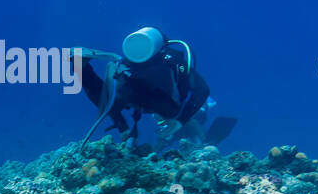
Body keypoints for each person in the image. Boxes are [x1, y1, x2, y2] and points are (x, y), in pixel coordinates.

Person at [76, 26, 232, 148]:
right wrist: (125, 130)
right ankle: (81, 67)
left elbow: (202, 91)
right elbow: (109, 102)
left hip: (161, 104)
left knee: (180, 120)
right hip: (156, 103)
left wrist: (179, 122)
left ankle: (81, 67)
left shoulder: (168, 63)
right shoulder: (135, 61)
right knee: (171, 118)